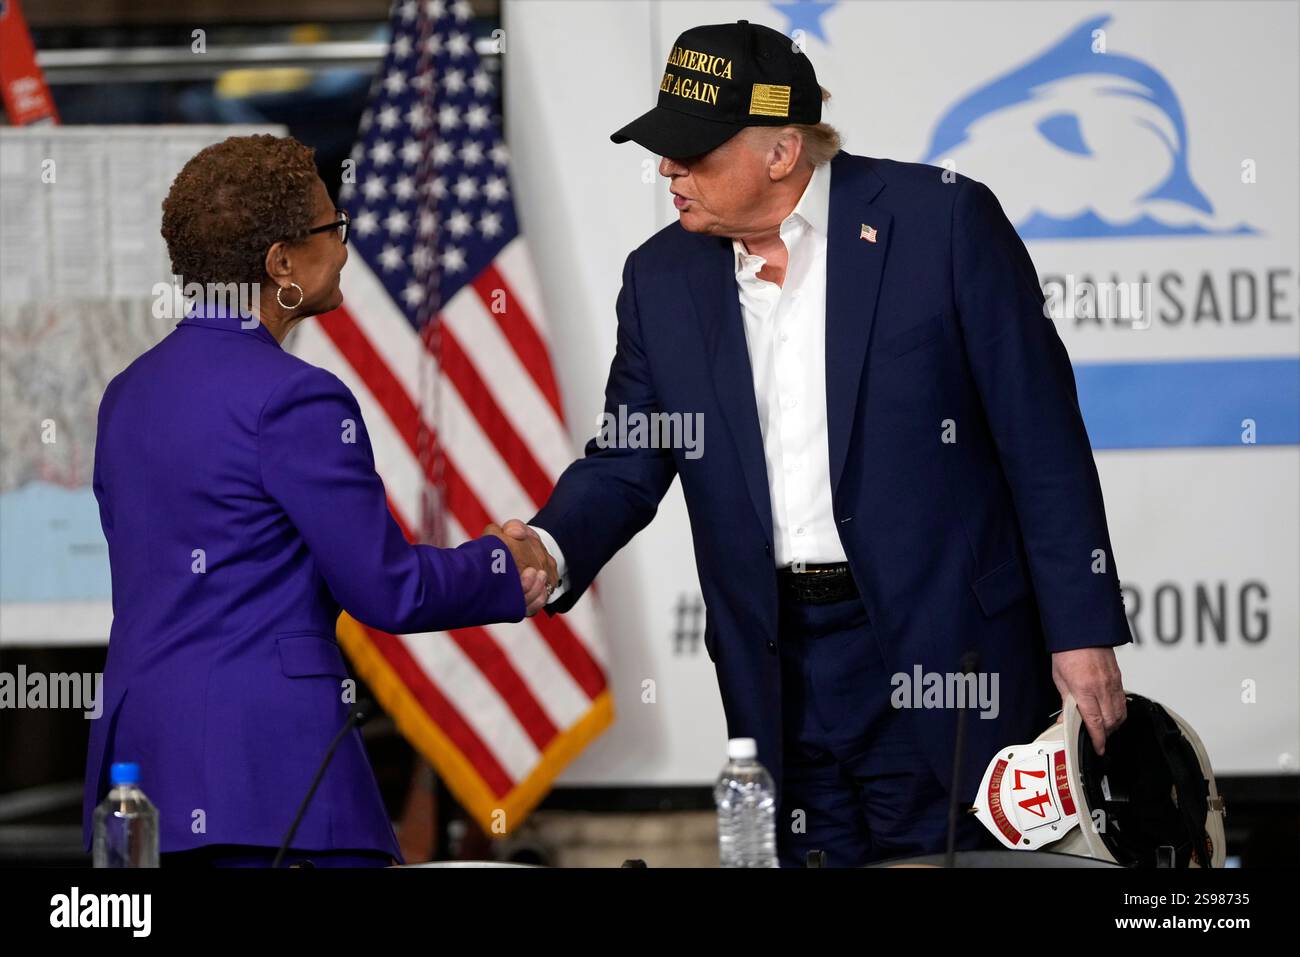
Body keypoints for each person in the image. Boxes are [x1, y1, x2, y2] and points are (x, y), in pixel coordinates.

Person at [497, 20, 1131, 866]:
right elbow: (630, 455)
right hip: (776, 671)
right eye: (664, 150)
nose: (667, 171)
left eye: (691, 152)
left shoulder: (943, 221)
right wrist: (549, 543)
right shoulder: (659, 278)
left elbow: (1041, 438)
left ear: (781, 151)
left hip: (944, 652)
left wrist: (1081, 631)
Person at [83, 134, 555, 868]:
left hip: (140, 776)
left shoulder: (128, 394)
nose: (342, 250)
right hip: (271, 782)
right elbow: (387, 587)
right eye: (332, 230)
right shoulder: (296, 398)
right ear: (281, 263)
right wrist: (505, 564)